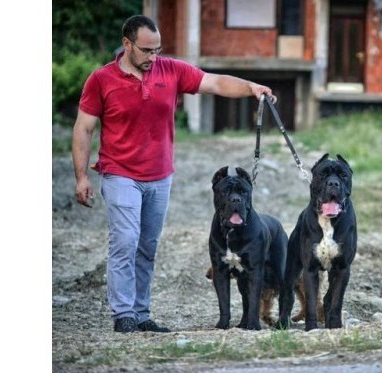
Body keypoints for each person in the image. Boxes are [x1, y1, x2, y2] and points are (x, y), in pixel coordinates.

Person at [72, 15, 277, 333]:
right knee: (125, 240)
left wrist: (251, 87)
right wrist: (82, 176)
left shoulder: (171, 70)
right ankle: (123, 314)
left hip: (159, 176)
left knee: (147, 246)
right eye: (146, 51)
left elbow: (214, 82)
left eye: (157, 50)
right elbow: (84, 128)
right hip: (119, 172)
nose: (153, 57)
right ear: (127, 44)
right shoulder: (101, 80)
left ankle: (141, 314)